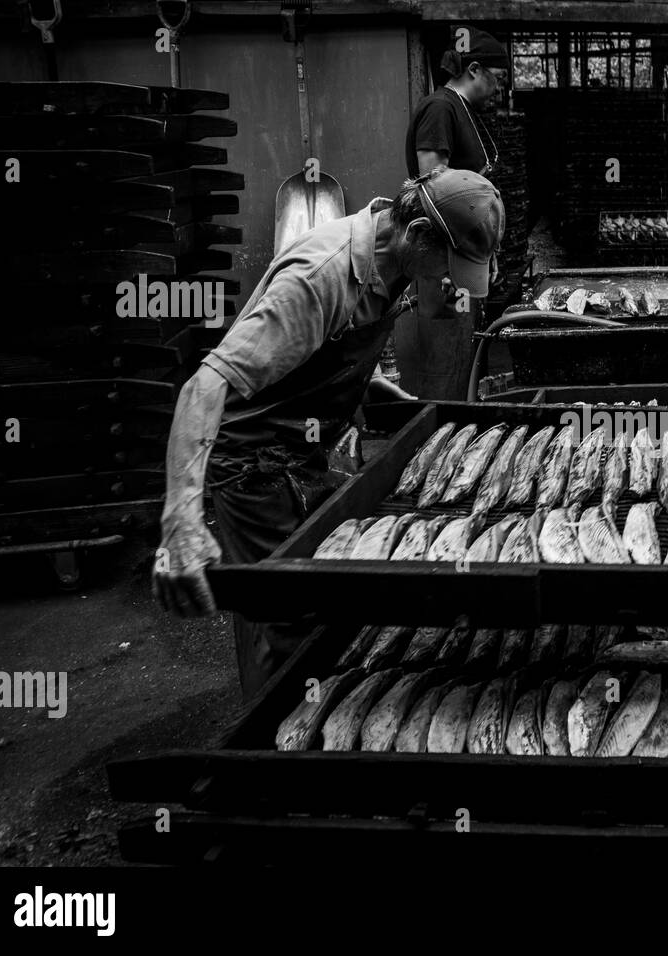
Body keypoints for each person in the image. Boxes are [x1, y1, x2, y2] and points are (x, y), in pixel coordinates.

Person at [153, 168, 505, 699]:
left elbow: (325, 349)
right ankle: (274, 748)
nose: (453, 284)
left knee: (312, 603)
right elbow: (202, 389)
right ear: (418, 237)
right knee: (289, 622)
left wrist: (372, 387)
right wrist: (179, 521)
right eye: (450, 268)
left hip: (303, 453)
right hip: (254, 467)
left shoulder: (391, 262)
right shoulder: (318, 278)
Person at [397, 26, 510, 401]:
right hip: (445, 257)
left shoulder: (459, 109)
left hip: (464, 252)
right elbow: (435, 188)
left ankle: (460, 418)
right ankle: (440, 431)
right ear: (474, 69)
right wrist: (454, 266)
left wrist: (485, 249)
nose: (500, 86)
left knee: (464, 351)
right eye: (498, 77)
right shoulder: (440, 108)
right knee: (448, 349)